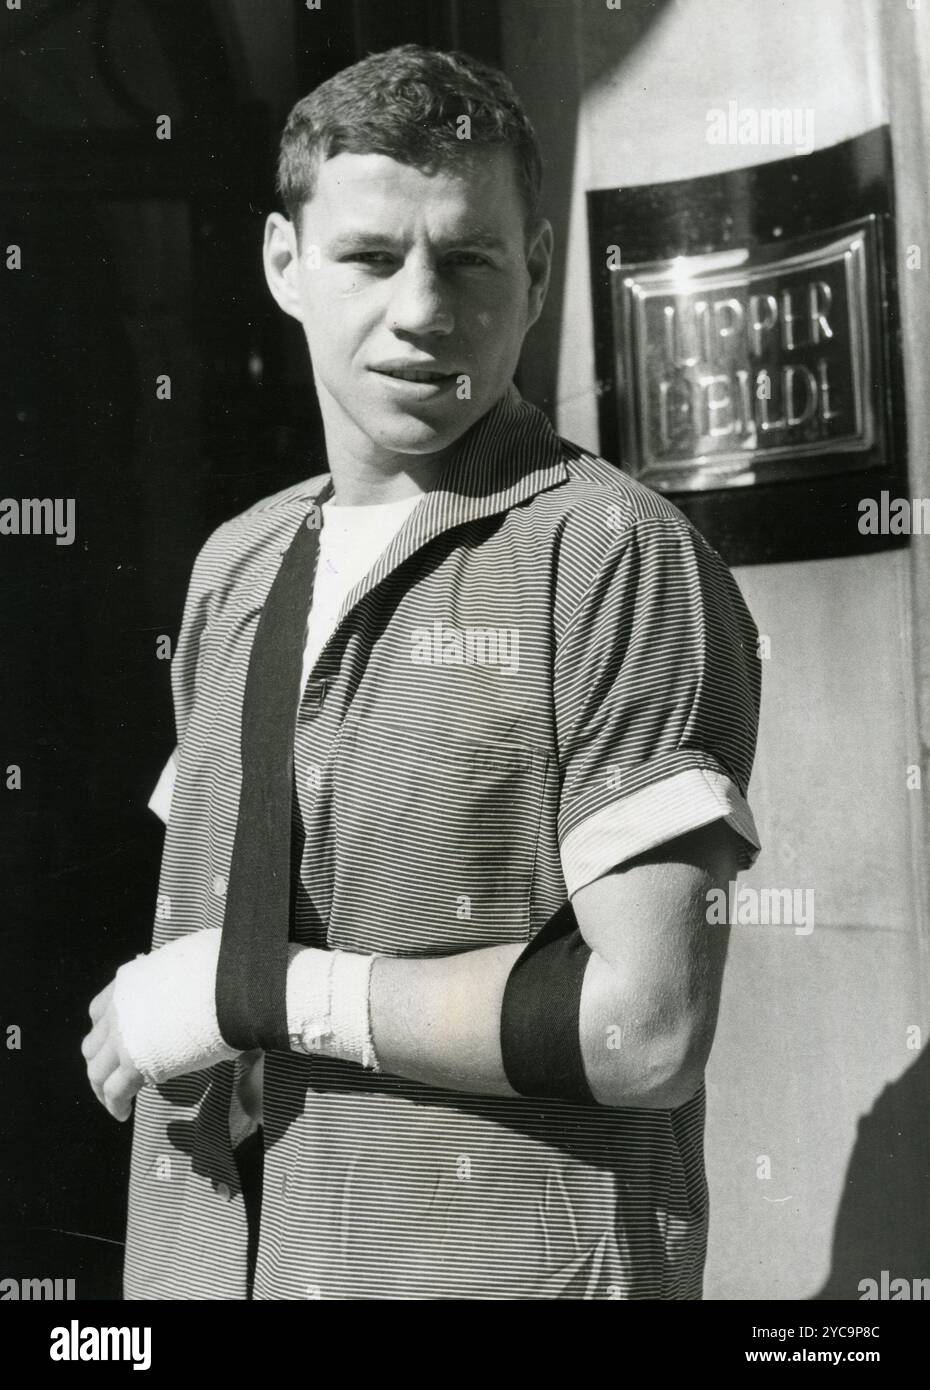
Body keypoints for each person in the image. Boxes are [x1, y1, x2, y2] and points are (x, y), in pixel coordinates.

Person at [81, 43, 762, 1301]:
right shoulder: (235, 568)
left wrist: (261, 993)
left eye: (468, 257)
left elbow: (648, 1026)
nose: (420, 309)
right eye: (370, 256)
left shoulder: (611, 554)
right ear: (285, 264)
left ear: (539, 270)